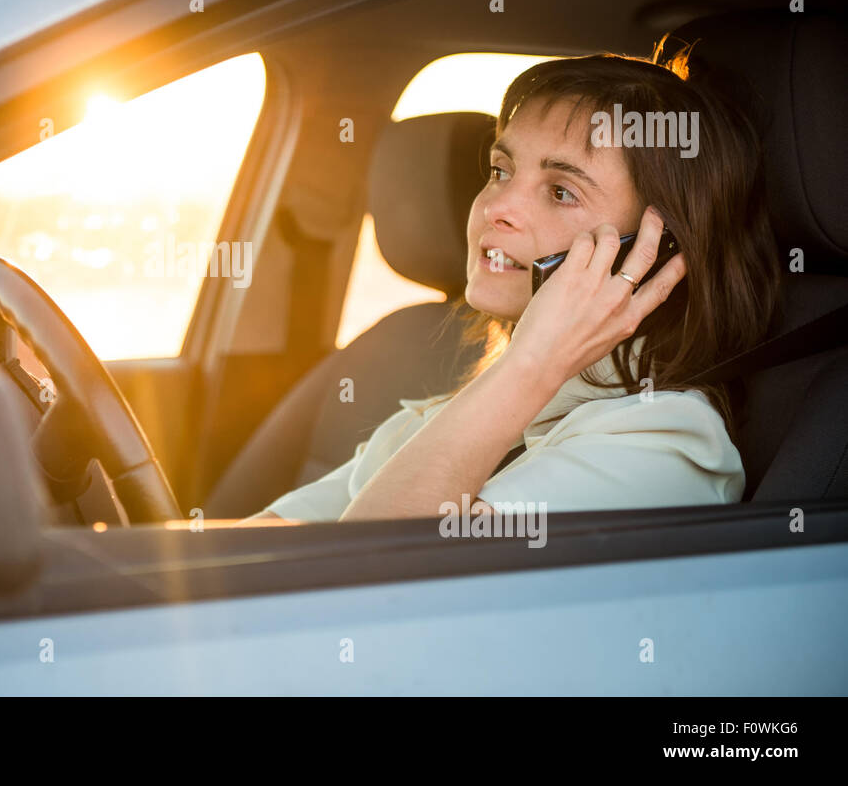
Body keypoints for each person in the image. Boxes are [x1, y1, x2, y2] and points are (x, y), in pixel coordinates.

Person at [240, 38, 780, 525]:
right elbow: (261, 550)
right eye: (501, 170)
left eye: (561, 191)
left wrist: (527, 367)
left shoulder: (658, 448)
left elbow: (361, 584)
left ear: (654, 252)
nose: (496, 206)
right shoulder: (450, 415)